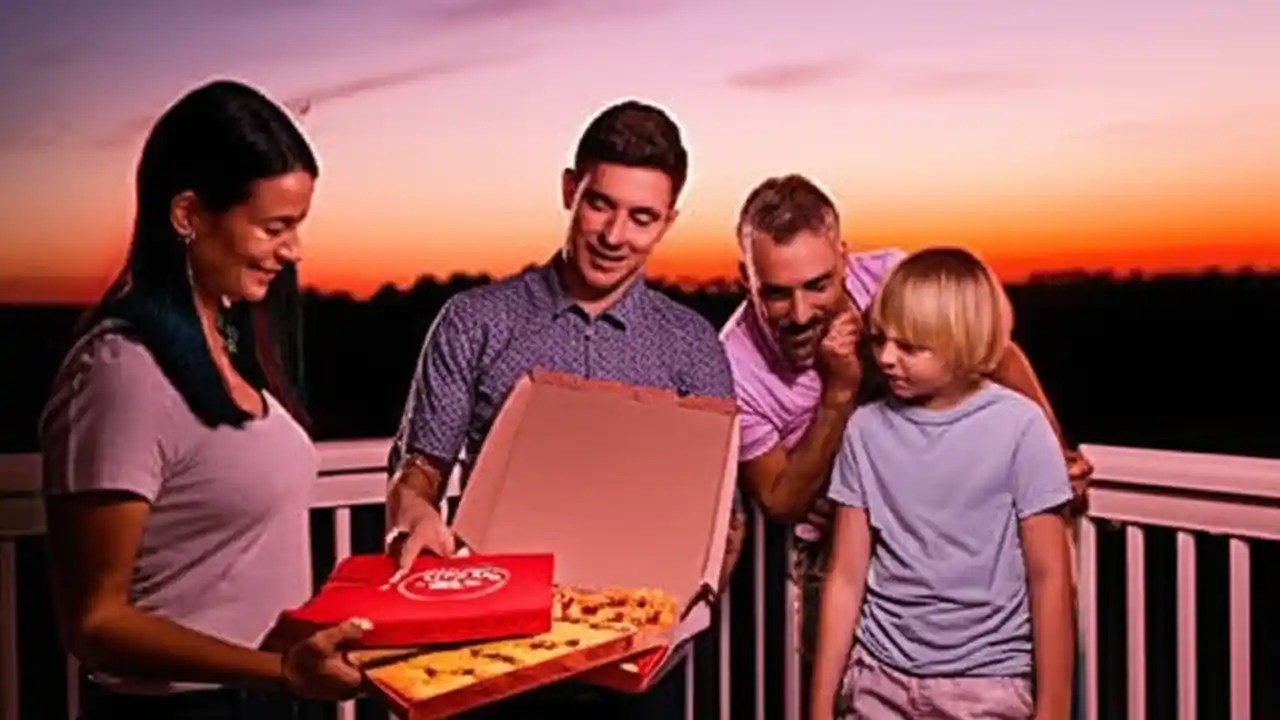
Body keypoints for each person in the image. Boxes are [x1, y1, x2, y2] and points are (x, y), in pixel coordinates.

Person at [383, 99, 735, 718]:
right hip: (496, 656)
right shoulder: (474, 322)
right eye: (600, 204)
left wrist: (679, 621)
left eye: (642, 217)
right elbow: (421, 468)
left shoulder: (692, 345)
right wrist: (412, 513)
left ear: (668, 221)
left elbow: (722, 517)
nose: (614, 235)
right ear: (570, 189)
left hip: (641, 667)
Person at [39, 79, 368, 719]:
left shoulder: (231, 346)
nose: (293, 250)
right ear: (188, 215)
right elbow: (95, 623)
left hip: (265, 694)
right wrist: (278, 673)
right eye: (274, 227)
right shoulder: (120, 372)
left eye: (297, 226)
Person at [718, 174, 1091, 710]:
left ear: (845, 260)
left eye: (818, 285)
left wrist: (1052, 452)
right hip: (836, 539)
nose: (800, 314)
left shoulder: (894, 280)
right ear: (745, 279)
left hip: (963, 572)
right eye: (776, 293)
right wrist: (838, 394)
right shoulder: (735, 362)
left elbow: (992, 350)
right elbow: (780, 501)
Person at [810, 247, 1075, 719]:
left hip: (986, 684)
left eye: (910, 347)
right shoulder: (864, 430)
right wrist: (816, 708)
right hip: (877, 679)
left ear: (962, 342)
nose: (887, 359)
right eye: (879, 340)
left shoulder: (1021, 427)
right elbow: (845, 576)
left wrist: (1054, 708)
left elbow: (1050, 578)